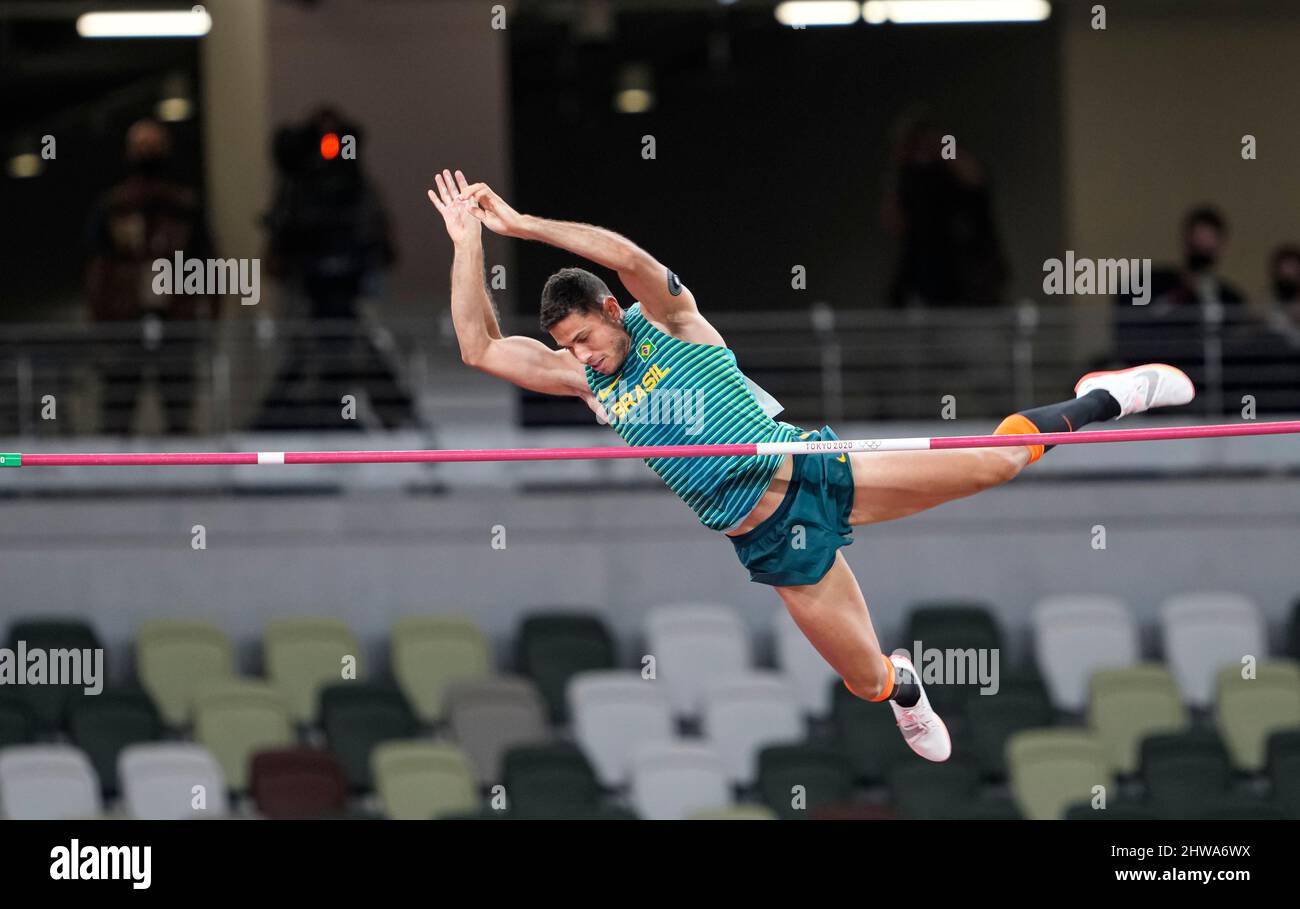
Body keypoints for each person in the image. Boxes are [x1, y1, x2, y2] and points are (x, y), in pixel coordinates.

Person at [427, 168, 1195, 762]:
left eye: (586, 336)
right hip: (769, 543)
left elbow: (628, 258)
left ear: (608, 310)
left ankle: (1109, 398)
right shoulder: (586, 381)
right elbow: (481, 347)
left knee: (994, 463)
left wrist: (521, 226)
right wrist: (468, 243)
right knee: (867, 681)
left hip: (816, 471)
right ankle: (908, 685)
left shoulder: (672, 320)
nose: (582, 355)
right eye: (569, 349)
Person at [85, 118, 218, 434]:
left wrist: (210, 315)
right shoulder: (112, 206)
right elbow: (97, 266)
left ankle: (184, 474)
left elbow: (207, 261)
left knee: (179, 408)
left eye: (154, 146)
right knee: (117, 409)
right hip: (123, 320)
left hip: (175, 318)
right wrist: (99, 322)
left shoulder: (185, 205)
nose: (148, 153)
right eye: (142, 147)